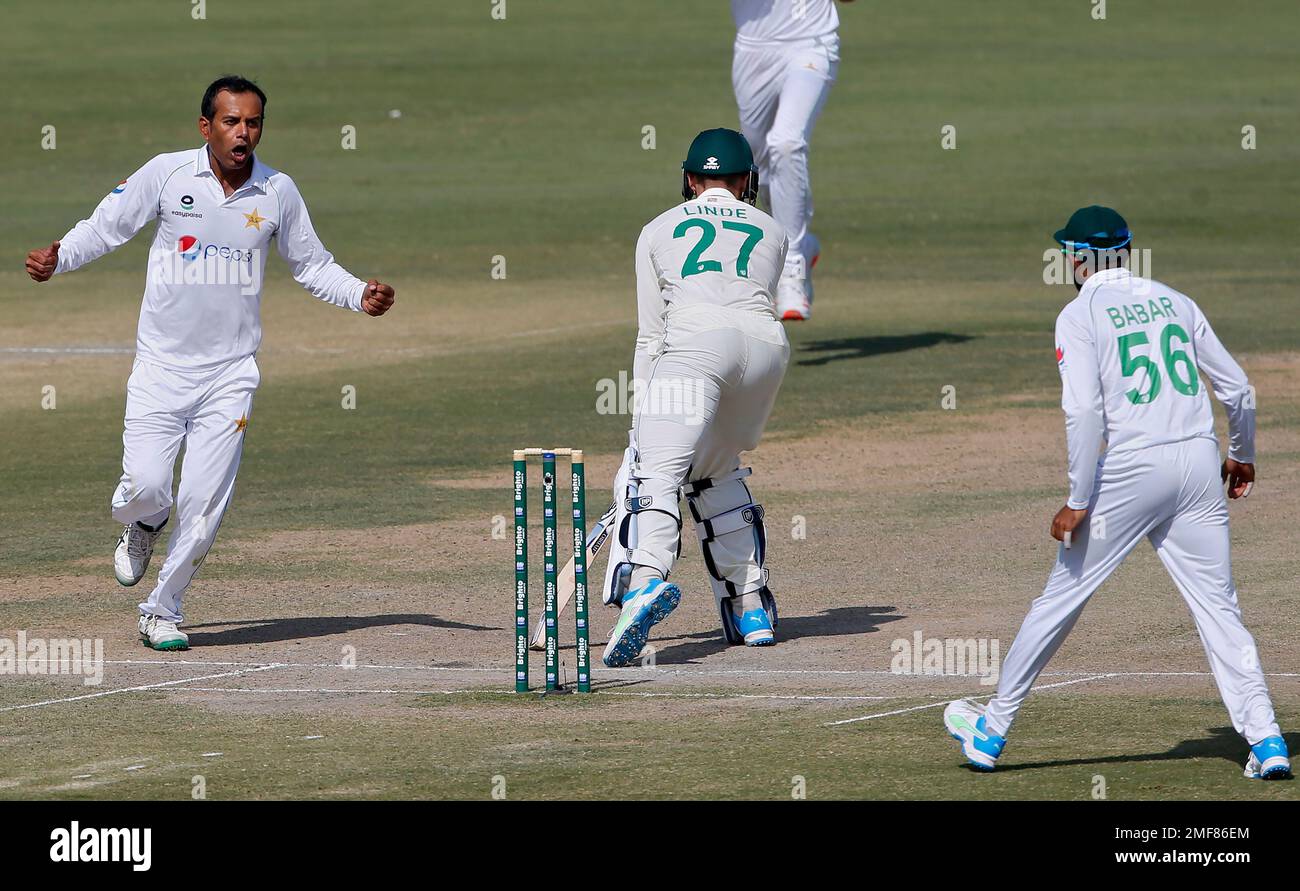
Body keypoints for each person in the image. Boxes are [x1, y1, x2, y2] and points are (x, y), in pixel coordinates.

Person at [24, 75, 396, 651]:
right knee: (147, 487)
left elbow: (312, 264)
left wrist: (358, 294)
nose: (243, 132)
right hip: (161, 367)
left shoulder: (278, 191)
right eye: (231, 121)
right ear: (206, 127)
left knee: (204, 502)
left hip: (230, 373)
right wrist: (60, 257)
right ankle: (144, 522)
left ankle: (162, 609)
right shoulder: (168, 174)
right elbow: (107, 226)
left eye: (253, 122)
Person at [943, 206, 1290, 781]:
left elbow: (1082, 411)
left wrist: (1078, 498)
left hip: (1133, 468)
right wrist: (1244, 454)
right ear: (1126, 251)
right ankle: (1268, 739)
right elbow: (1237, 389)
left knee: (1060, 600)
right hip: (1200, 463)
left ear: (1079, 258)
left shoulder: (1079, 315)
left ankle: (992, 730)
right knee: (1220, 611)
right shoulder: (1176, 299)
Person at [600, 129, 789, 668]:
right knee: (715, 470)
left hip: (695, 347)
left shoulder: (657, 229)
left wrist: (644, 422)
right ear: (747, 181)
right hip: (766, 352)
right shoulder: (772, 230)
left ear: (689, 178)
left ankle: (643, 583)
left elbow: (650, 333)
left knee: (656, 470)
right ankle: (750, 608)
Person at [730, 0, 852, 320]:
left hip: (812, 43)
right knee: (760, 169)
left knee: (786, 143)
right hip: (754, 51)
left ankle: (791, 267)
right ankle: (802, 243)